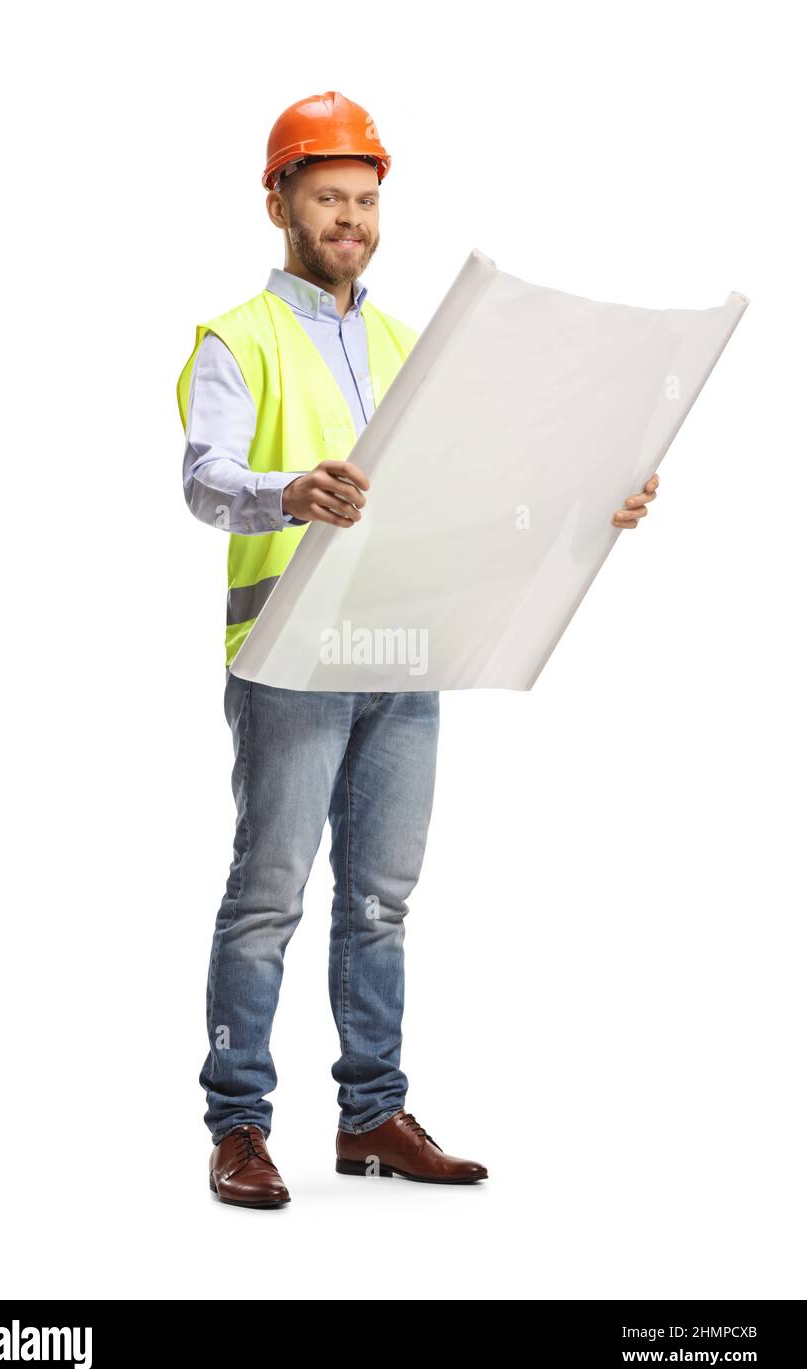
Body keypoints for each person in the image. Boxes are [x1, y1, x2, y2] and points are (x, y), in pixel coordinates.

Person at [177, 91, 660, 1210]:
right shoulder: (234, 342)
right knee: (268, 897)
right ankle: (239, 1124)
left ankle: (371, 1116)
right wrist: (286, 490)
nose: (349, 217)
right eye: (327, 197)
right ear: (279, 203)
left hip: (399, 648)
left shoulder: (409, 344)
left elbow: (480, 487)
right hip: (289, 658)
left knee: (382, 902)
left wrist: (598, 498)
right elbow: (201, 480)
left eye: (364, 200)